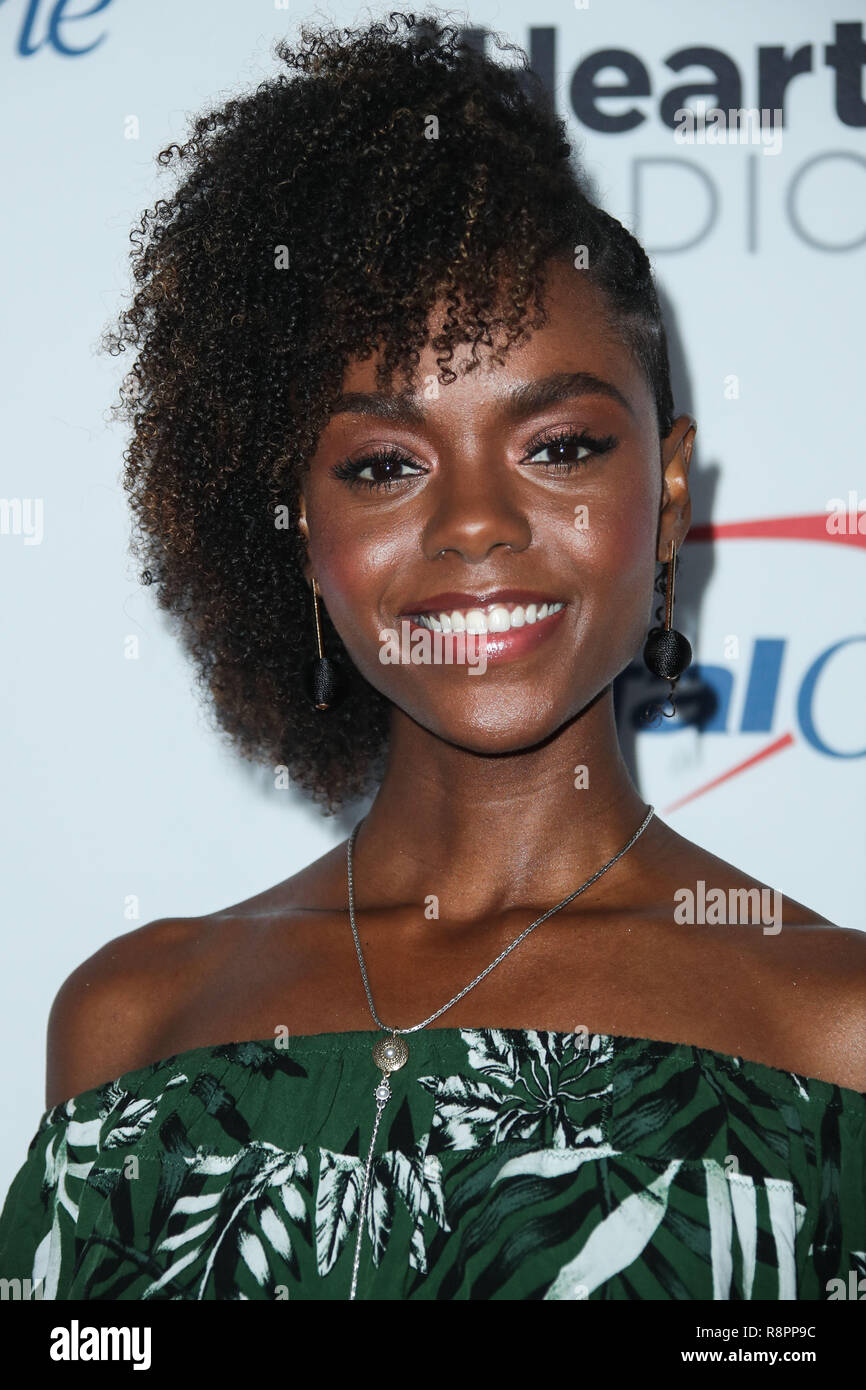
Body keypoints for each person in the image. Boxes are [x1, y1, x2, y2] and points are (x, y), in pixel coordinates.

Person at [0, 12, 863, 1302]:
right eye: (384, 464)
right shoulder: (129, 1025)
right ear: (295, 527)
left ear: (671, 494)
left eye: (559, 447)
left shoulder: (832, 1033)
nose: (474, 523)